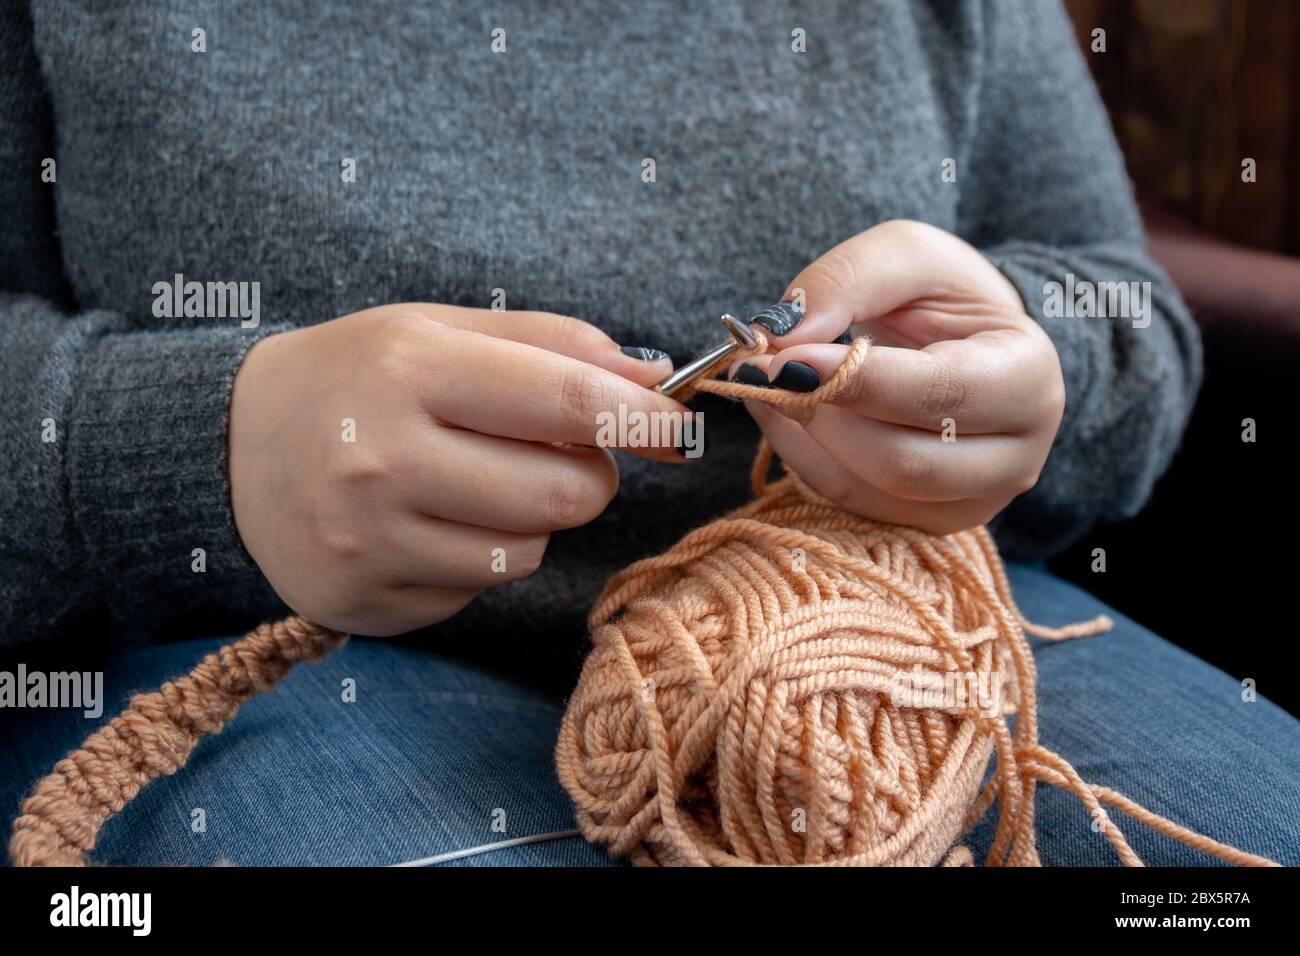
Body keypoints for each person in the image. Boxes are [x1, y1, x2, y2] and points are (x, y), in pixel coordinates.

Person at [1, 0, 1296, 866]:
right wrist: (200, 451)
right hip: (267, 649)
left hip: (890, 632)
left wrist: (1034, 372)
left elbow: (1123, 301)